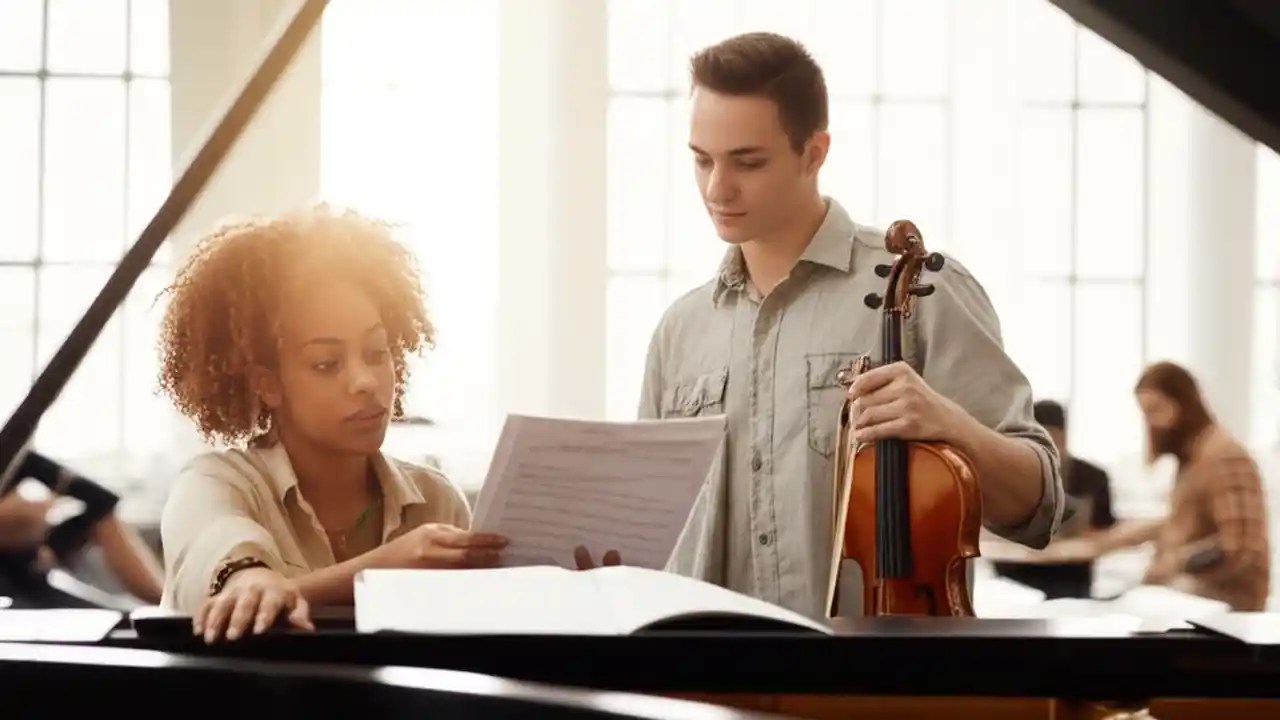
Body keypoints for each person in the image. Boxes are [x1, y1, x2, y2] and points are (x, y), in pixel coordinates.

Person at [639, 32, 1064, 620]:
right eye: (702, 159)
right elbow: (654, 542)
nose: (717, 188)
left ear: (814, 153)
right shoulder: (679, 332)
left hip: (870, 688)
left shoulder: (924, 293)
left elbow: (1040, 506)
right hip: (707, 691)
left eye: (747, 161)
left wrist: (950, 426)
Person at [155, 205, 525, 643]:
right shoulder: (213, 485)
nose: (366, 382)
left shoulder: (436, 502)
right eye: (327, 363)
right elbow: (241, 583)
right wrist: (380, 570)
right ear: (268, 384)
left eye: (377, 353)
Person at [1060, 362, 1270, 611]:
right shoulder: (1195, 459)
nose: (1151, 424)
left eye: (1156, 410)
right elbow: (1190, 523)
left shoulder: (1225, 458)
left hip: (1220, 612)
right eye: (1146, 414)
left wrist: (1174, 562)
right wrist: (1115, 539)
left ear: (1184, 404)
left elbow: (1238, 544)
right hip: (1192, 603)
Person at [0, 449, 164, 607]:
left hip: (32, 570)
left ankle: (164, 602)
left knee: (102, 511)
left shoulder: (13, 447)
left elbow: (100, 499)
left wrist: (40, 511)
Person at [992, 400, 1116, 598]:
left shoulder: (1093, 477)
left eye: (1054, 440)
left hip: (1070, 582)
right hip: (1012, 582)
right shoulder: (1006, 477)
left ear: (1065, 437)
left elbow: (1102, 533)